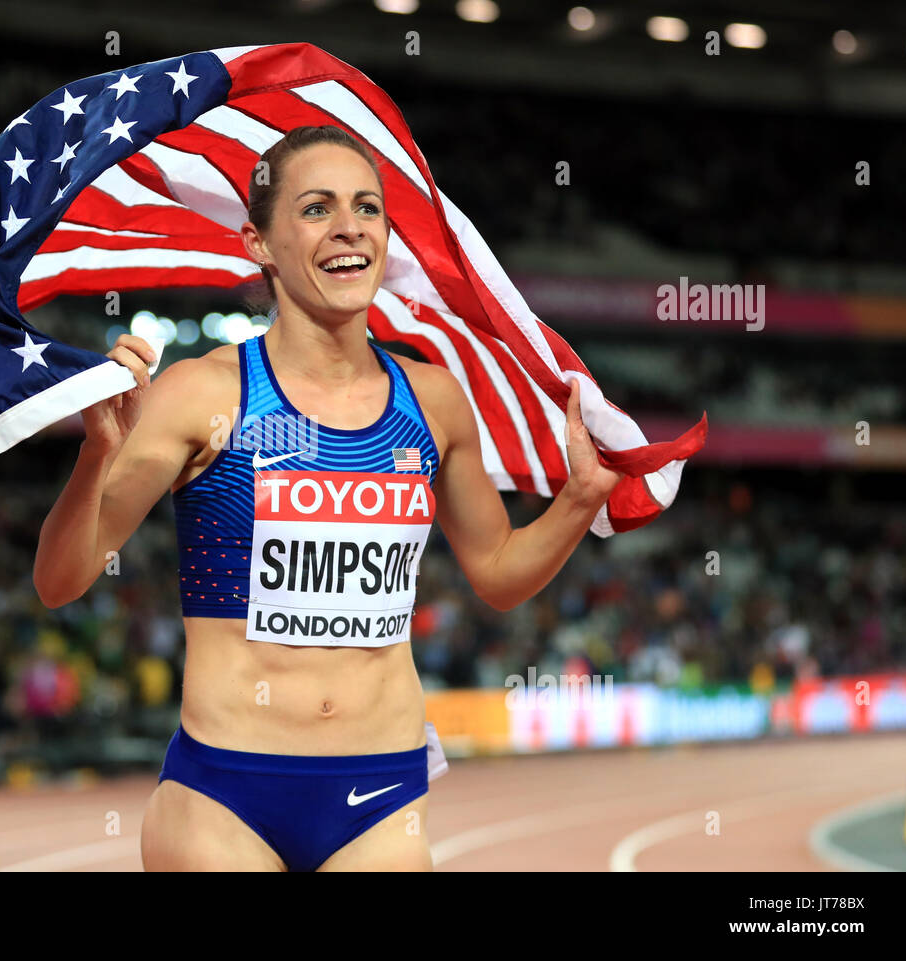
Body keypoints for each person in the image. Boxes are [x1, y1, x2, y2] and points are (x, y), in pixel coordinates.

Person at [33, 125, 624, 871]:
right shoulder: (200, 394)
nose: (350, 227)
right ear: (258, 242)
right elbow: (60, 580)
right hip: (224, 795)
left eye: (367, 208)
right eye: (316, 208)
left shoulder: (435, 401)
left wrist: (579, 499)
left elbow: (499, 572)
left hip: (381, 795)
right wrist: (96, 455)